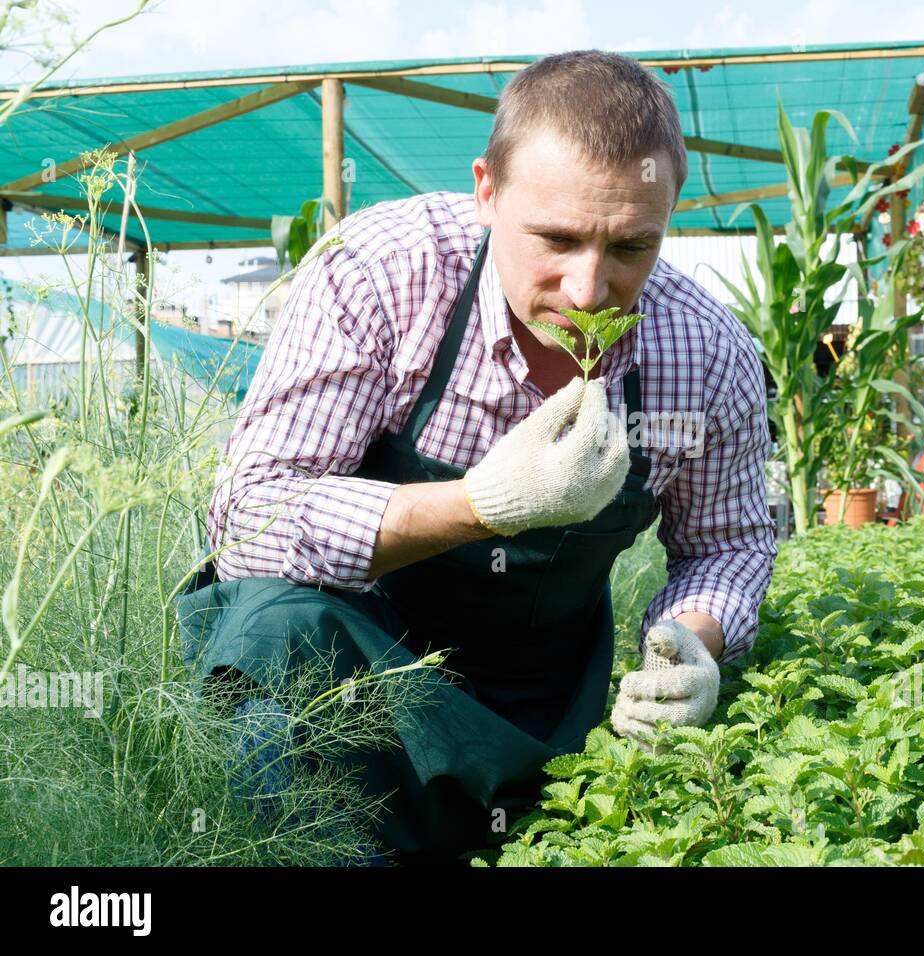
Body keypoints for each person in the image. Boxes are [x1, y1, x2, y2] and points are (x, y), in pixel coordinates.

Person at [178, 49, 777, 866]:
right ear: (487, 191)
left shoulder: (705, 353)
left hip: (535, 704)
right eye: (557, 239)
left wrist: (693, 640)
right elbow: (252, 515)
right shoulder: (388, 274)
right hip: (344, 669)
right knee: (271, 639)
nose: (588, 289)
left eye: (632, 247)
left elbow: (728, 545)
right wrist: (479, 506)